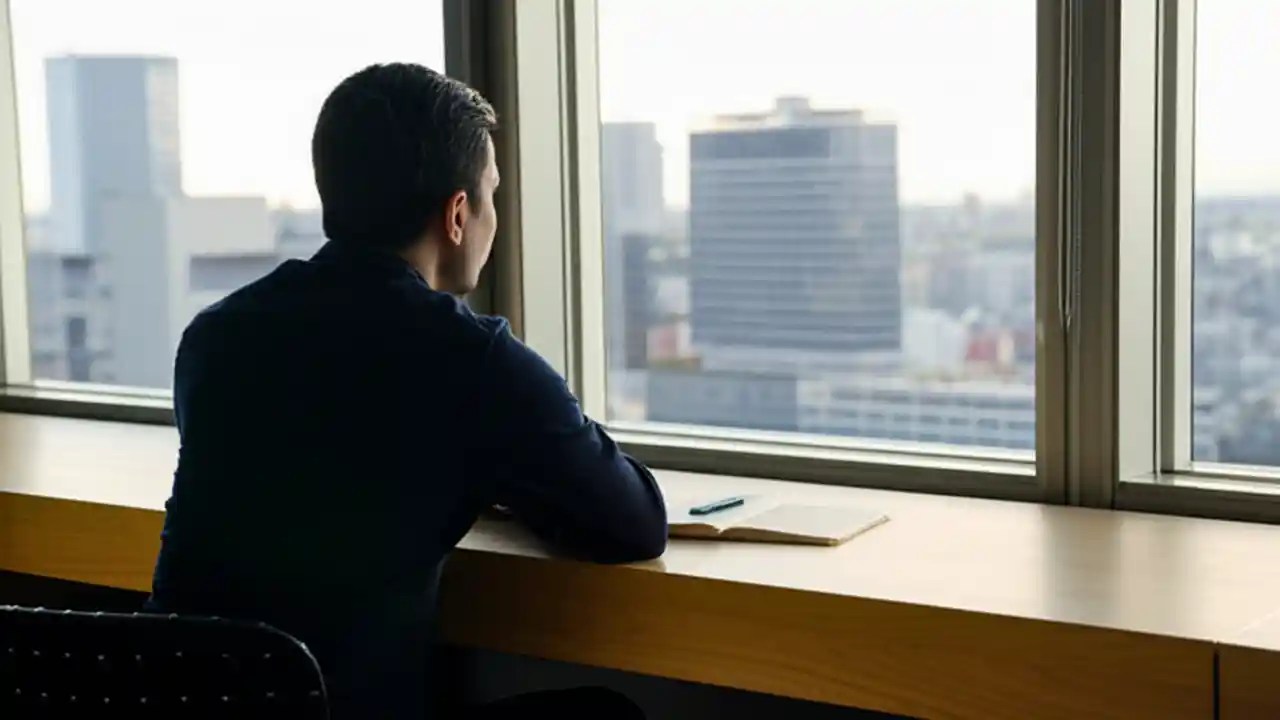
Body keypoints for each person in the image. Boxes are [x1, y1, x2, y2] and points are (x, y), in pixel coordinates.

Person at [146, 63, 666, 719]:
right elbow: (633, 524)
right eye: (491, 196)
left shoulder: (216, 336)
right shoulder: (470, 360)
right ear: (456, 214)